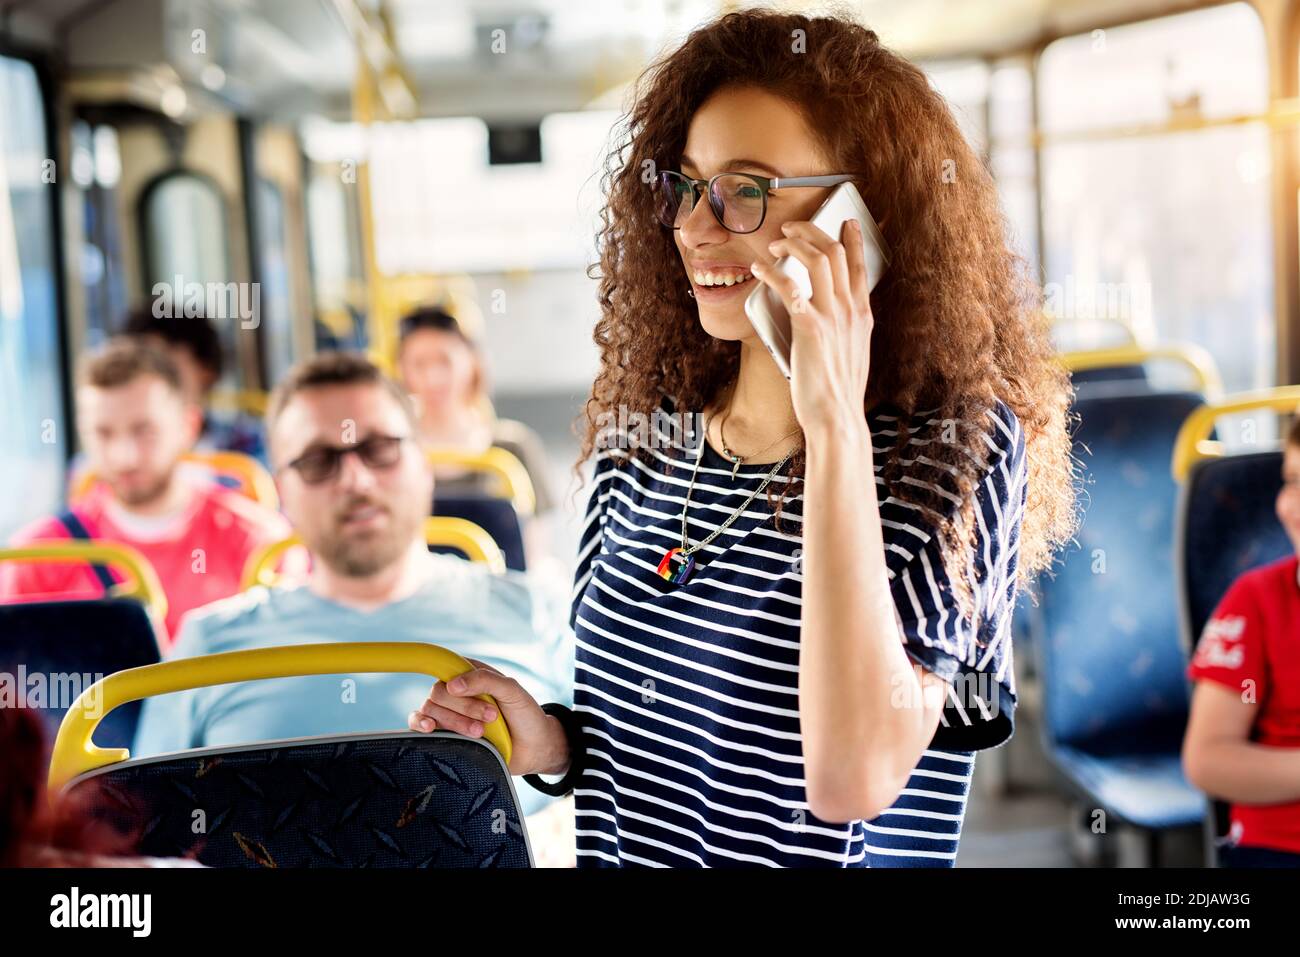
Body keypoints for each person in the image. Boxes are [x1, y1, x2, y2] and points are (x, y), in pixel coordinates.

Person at [408, 9, 1076, 868]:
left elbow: (851, 774)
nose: (694, 225)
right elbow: (629, 739)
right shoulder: (636, 449)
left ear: (861, 222)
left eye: (744, 188)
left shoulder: (953, 454)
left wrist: (833, 421)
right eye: (686, 185)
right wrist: (547, 740)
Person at [132, 352, 572, 826]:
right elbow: (139, 831)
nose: (355, 480)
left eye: (380, 448)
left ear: (423, 462)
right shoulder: (206, 646)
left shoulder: (539, 613)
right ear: (283, 490)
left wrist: (555, 751)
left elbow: (621, 782)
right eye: (319, 460)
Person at [0, 340, 292, 646]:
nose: (124, 456)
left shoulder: (257, 542)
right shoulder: (38, 557)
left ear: (187, 426)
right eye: (103, 433)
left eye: (144, 431)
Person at [1182, 415, 1300, 868]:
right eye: (1291, 482)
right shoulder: (1256, 602)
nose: (1290, 505)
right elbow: (1208, 759)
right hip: (1280, 848)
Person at [395, 307, 558, 569]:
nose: (432, 377)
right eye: (419, 364)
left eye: (444, 362)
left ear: (471, 362)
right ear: (402, 369)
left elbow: (533, 554)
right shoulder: (391, 452)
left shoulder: (513, 447)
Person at [123, 302, 265, 459]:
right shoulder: (109, 464)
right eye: (135, 370)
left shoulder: (252, 448)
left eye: (161, 365)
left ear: (206, 368)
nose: (147, 383)